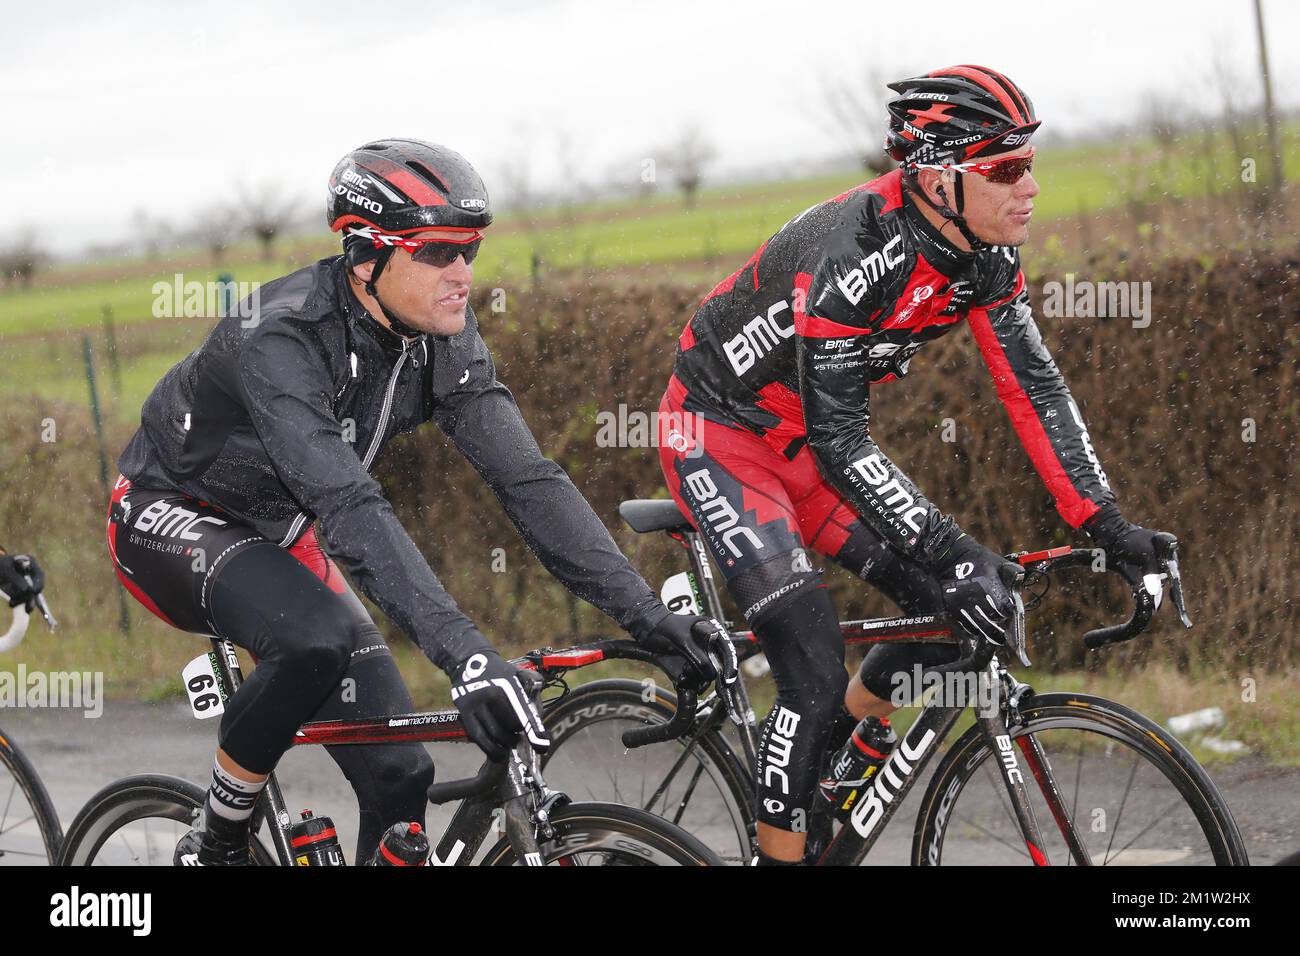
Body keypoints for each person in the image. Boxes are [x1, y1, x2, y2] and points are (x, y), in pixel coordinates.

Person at [108, 138, 713, 865]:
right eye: (436, 252)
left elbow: (527, 480)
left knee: (403, 774)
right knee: (313, 639)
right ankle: (220, 835)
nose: (461, 273)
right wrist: (469, 658)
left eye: (471, 251)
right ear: (365, 258)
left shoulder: (437, 334)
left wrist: (647, 619)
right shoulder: (281, 338)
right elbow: (351, 506)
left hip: (282, 529)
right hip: (171, 514)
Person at [656, 66, 1172, 864]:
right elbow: (842, 442)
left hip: (807, 447)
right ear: (936, 174)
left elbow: (1031, 386)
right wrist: (956, 548)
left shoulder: (985, 250)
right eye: (1005, 168)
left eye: (1030, 161)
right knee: (812, 664)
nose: (1030, 185)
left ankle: (830, 754)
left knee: (947, 615)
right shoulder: (854, 251)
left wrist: (1104, 519)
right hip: (722, 436)